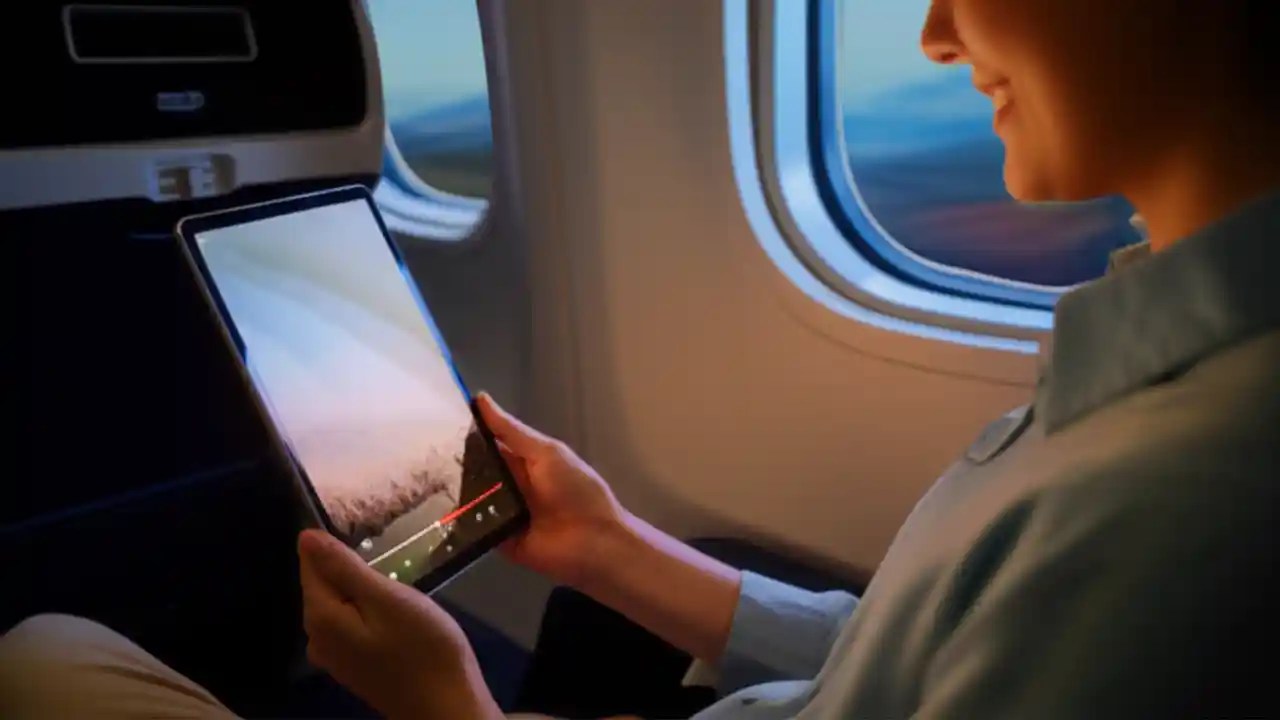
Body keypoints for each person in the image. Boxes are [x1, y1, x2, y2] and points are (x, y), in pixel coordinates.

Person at [3, 0, 1279, 717]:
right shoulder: (1164, 377)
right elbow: (902, 662)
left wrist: (451, 714)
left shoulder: (1192, 501)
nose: (937, 33)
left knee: (37, 653)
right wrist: (610, 548)